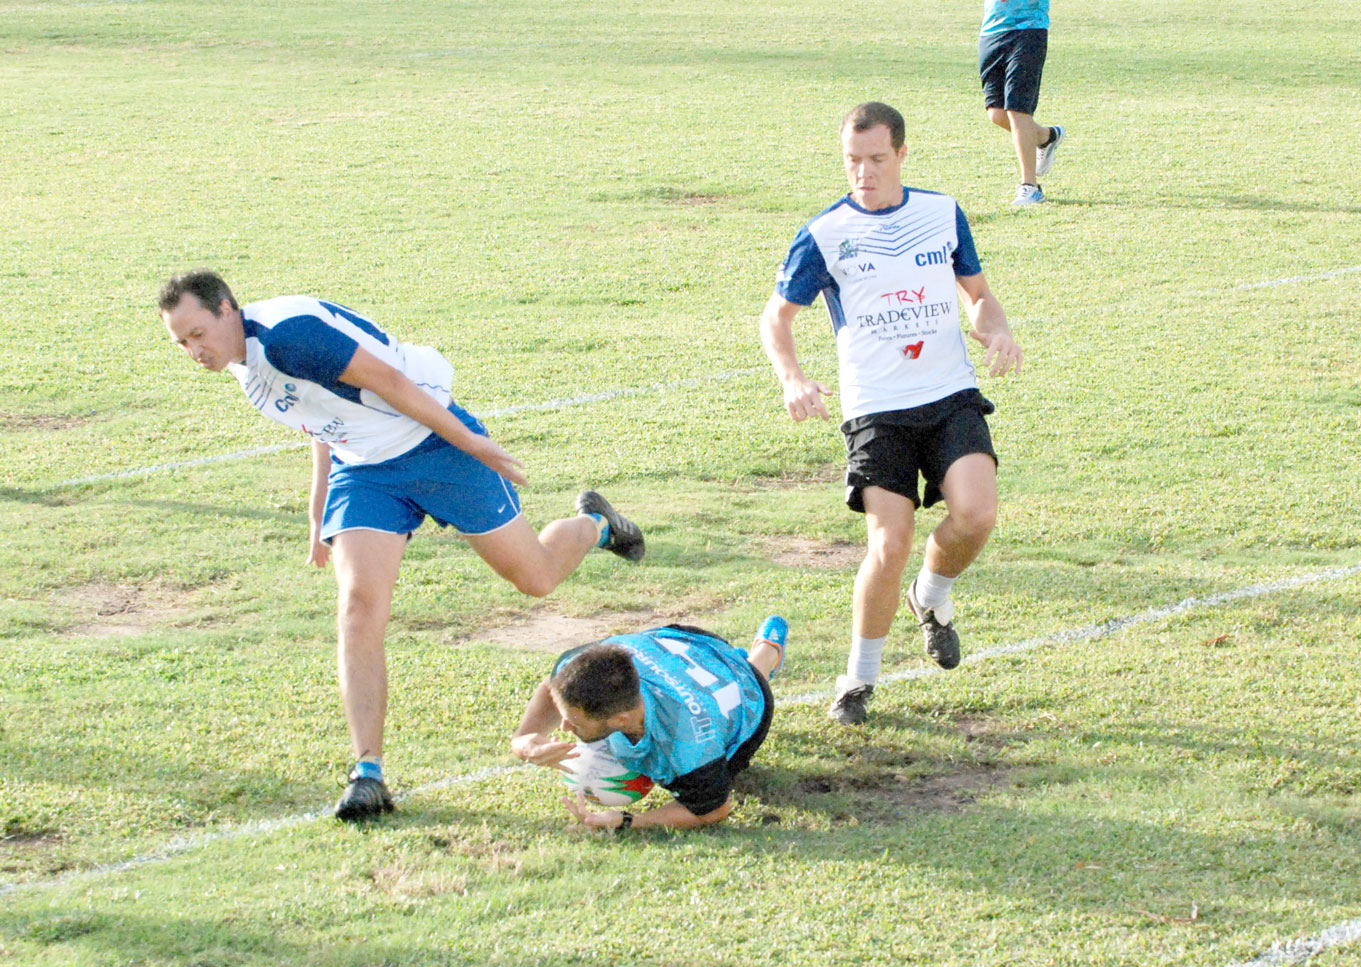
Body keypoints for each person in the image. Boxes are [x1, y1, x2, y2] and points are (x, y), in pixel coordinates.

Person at [158, 269, 646, 821]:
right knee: (357, 609)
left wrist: (472, 444)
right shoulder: (243, 363)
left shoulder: (288, 335)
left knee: (536, 578)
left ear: (227, 308)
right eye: (182, 343)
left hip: (433, 443)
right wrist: (318, 510)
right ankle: (367, 773)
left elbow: (389, 382)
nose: (194, 351)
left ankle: (595, 524)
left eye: (198, 334)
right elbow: (321, 419)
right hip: (365, 471)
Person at [758, 102, 1022, 726]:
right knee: (890, 541)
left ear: (902, 154)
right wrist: (792, 377)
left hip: (950, 393)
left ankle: (930, 596)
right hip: (876, 409)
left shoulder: (941, 214)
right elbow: (776, 317)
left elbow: (978, 294)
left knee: (977, 513)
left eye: (877, 159)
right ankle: (858, 680)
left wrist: (997, 329)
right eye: (853, 160)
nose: (864, 172)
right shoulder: (824, 234)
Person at [511, 616, 788, 831]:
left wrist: (629, 821)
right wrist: (523, 739)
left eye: (574, 721)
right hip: (683, 642)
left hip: (745, 694)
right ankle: (734, 662)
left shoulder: (688, 748)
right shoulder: (582, 663)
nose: (564, 727)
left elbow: (714, 809)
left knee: (750, 678)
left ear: (621, 719)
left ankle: (765, 652)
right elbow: (553, 686)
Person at [979, 0, 1064, 206]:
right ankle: (1046, 136)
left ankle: (1030, 187)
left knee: (1017, 110)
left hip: (1028, 30)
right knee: (996, 114)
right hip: (992, 31)